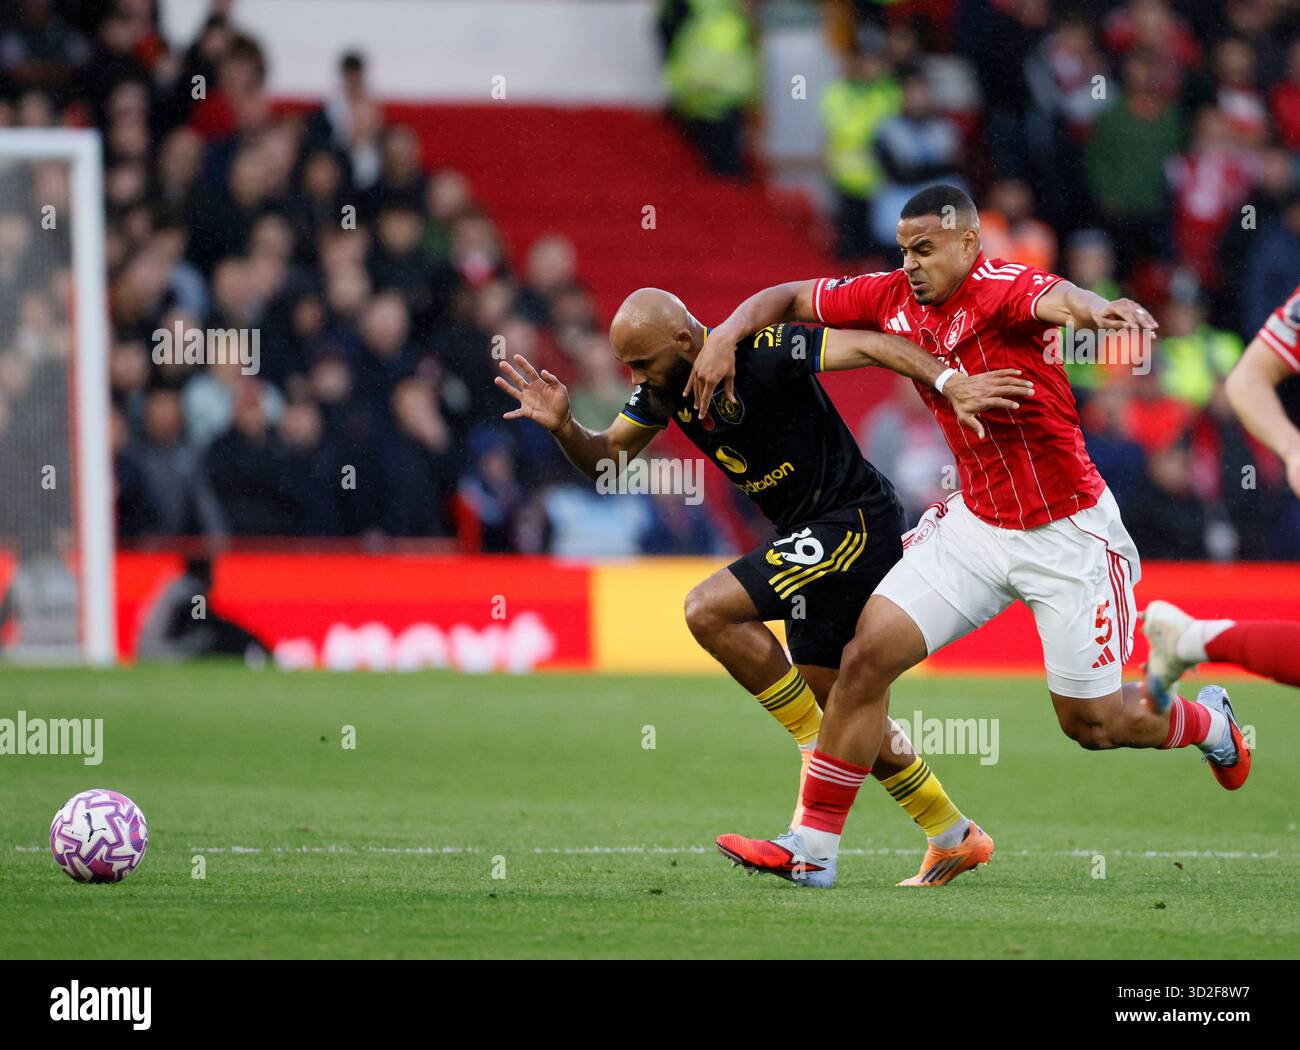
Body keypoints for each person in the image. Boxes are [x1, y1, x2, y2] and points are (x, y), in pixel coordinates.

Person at [686, 185, 1247, 888]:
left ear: (968, 246)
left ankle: (1211, 725)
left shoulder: (1002, 289)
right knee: (864, 659)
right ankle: (813, 849)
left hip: (1068, 536)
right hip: (976, 529)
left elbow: (1057, 297)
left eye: (925, 250)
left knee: (1093, 724)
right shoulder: (890, 296)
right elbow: (788, 296)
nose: (911, 264)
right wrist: (724, 334)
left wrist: (1096, 311)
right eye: (904, 250)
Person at [497, 287, 1029, 885]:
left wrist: (950, 381)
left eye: (643, 363)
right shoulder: (663, 390)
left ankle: (810, 757)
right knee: (842, 707)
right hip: (810, 531)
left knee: (707, 609)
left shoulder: (766, 349)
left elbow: (876, 345)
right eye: (630, 367)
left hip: (854, 519)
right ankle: (954, 834)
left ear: (682, 339)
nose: (636, 377)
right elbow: (606, 462)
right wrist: (566, 425)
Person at [1141, 284, 1300, 692]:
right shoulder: (1158, 352)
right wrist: (1292, 448)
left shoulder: (1219, 344)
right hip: (1189, 442)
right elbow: (1248, 380)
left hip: (1225, 444)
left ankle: (1189, 640)